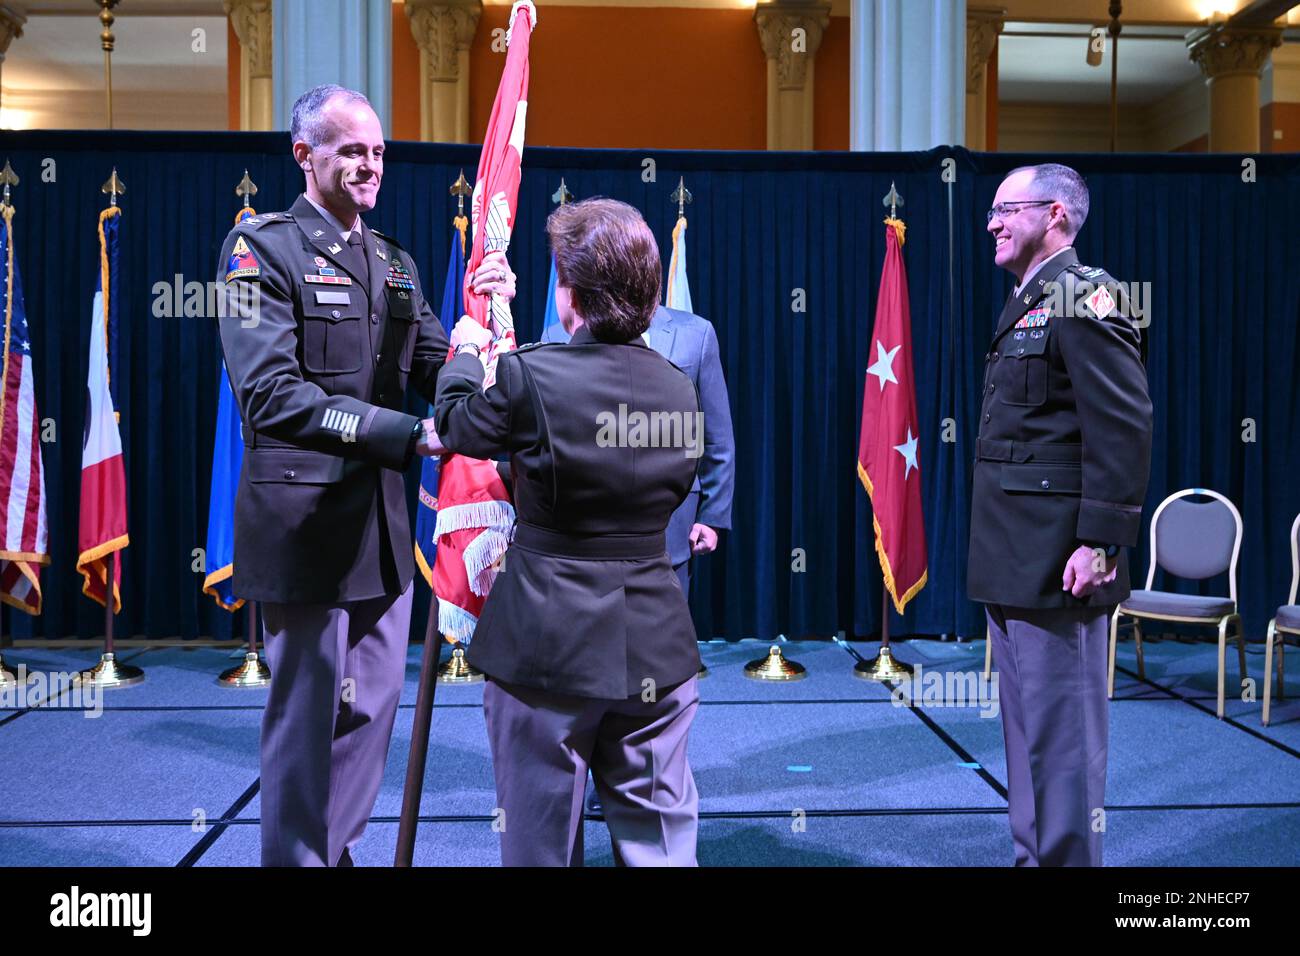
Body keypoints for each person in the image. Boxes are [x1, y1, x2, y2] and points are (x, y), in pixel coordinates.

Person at [216, 83, 514, 866]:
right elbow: (272, 396)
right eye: (351, 149)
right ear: (303, 153)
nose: (370, 165)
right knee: (306, 721)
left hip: (382, 536)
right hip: (305, 530)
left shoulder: (395, 263)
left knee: (371, 716)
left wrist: (484, 336)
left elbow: (437, 367)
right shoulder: (260, 250)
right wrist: (410, 435)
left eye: (378, 151)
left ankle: (332, 852)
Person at [434, 197, 702, 866]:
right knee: (664, 852)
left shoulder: (532, 377)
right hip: (655, 645)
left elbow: (458, 426)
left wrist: (468, 349)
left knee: (539, 847)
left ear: (571, 295)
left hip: (544, 649)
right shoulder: (678, 388)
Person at [971, 163, 1152, 866]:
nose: (992, 222)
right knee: (1028, 741)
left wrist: (1100, 543)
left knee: (1065, 746)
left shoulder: (1085, 296)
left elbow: (1124, 423)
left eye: (1005, 210)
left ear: (1055, 216)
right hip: (1014, 561)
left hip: (1061, 565)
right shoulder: (1029, 299)